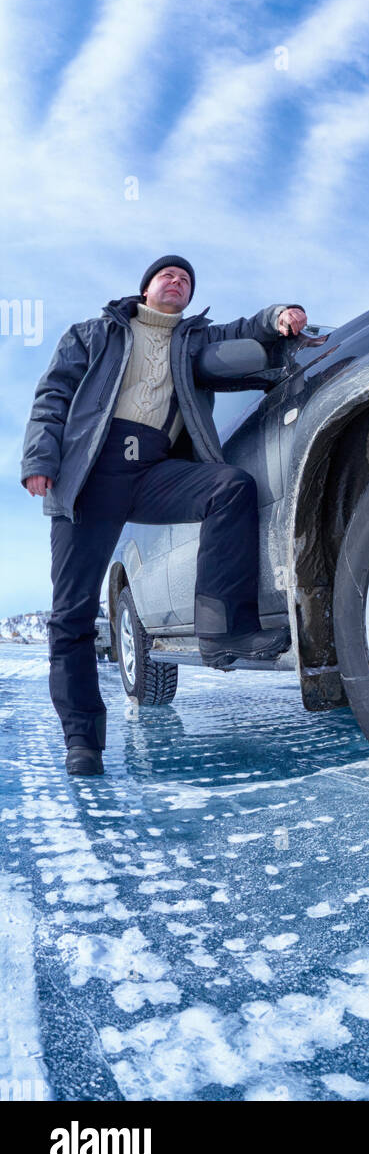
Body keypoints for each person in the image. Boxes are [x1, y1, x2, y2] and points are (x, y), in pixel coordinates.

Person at [20, 255, 307, 778]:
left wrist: (279, 315)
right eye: (167, 276)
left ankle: (222, 631)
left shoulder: (192, 340)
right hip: (91, 475)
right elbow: (53, 396)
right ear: (146, 288)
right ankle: (82, 741)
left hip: (153, 470)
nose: (176, 281)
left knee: (229, 487)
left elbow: (246, 330)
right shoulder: (93, 334)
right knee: (72, 616)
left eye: (185, 280)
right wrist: (41, 459)